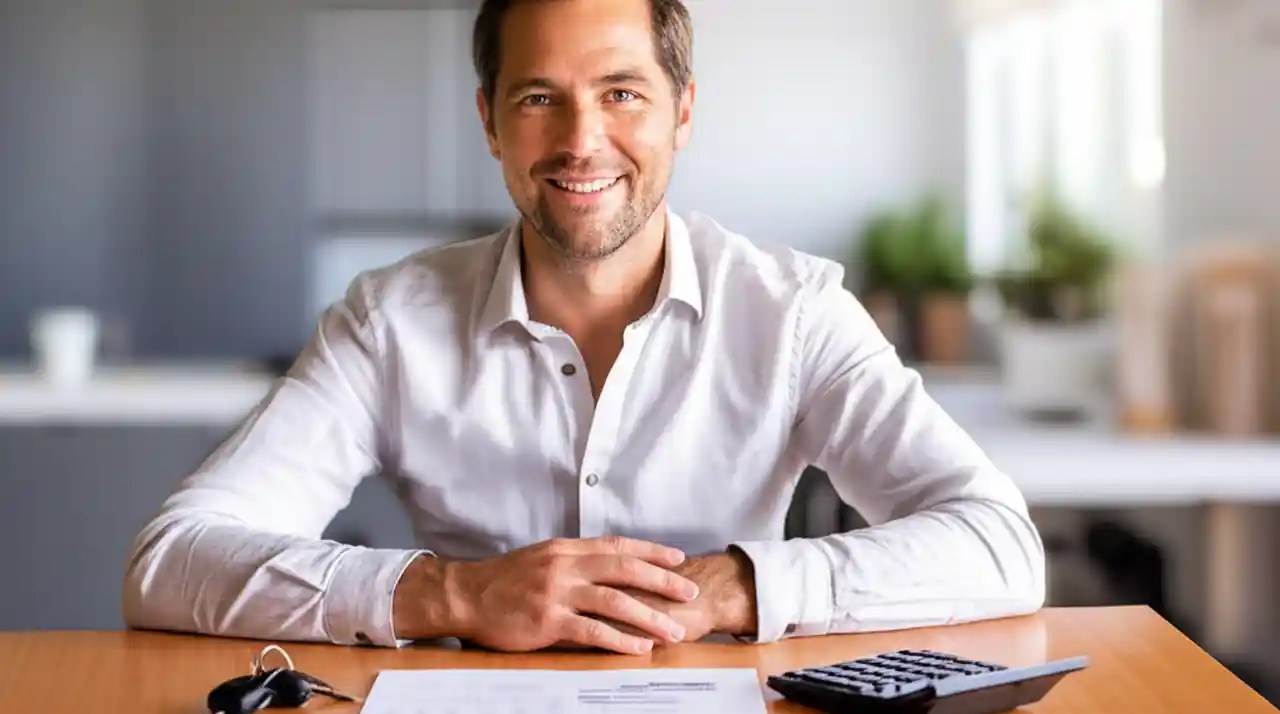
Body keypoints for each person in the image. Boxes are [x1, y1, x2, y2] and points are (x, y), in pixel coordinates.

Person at [123, 0, 1044, 656]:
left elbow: (998, 544)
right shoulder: (389, 320)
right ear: (489, 120)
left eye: (621, 93)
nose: (580, 139)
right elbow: (171, 561)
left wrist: (736, 587)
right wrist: (456, 594)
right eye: (537, 98)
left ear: (683, 111)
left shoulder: (794, 311)